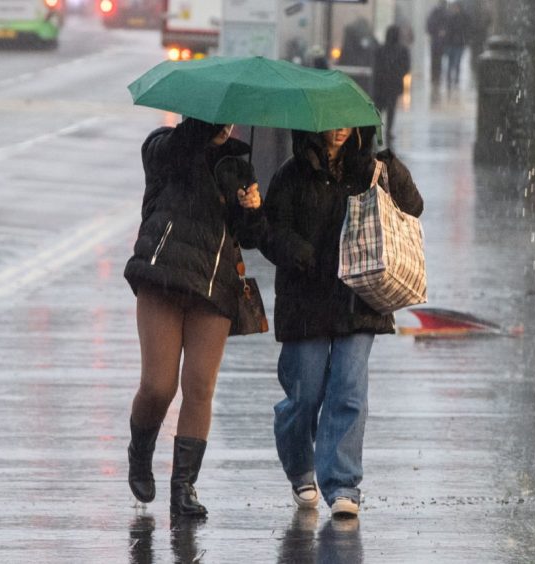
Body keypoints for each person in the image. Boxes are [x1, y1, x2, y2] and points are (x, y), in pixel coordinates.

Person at [260, 126, 423, 518]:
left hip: (360, 298)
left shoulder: (370, 168)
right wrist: (297, 251)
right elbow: (267, 233)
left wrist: (390, 166)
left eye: (347, 122)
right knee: (304, 394)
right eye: (331, 122)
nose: (339, 130)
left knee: (349, 390)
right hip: (306, 300)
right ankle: (301, 467)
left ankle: (342, 483)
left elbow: (413, 207)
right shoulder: (291, 174)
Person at [123, 117, 264, 517]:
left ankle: (183, 488)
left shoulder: (238, 166)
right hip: (162, 276)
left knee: (199, 386)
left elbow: (249, 237)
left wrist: (251, 209)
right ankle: (141, 450)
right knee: (158, 386)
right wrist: (204, 131)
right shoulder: (165, 147)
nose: (225, 126)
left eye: (230, 119)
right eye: (216, 119)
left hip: (213, 289)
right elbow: (179, 149)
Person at [372, 25, 411, 143]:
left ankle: (374, 129)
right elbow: (406, 68)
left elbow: (375, 66)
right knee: (391, 108)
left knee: (378, 107)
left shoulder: (380, 49)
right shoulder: (403, 50)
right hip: (394, 84)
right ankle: (388, 131)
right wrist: (397, 74)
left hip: (380, 84)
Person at [443, 1, 471, 90]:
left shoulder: (462, 18)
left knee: (456, 62)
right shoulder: (450, 17)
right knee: (451, 63)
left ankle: (455, 80)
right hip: (452, 43)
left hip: (458, 44)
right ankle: (451, 80)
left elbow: (466, 29)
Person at [425, 0, 448, 90]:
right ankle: (436, 76)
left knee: (435, 60)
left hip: (435, 42)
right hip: (439, 42)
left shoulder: (434, 14)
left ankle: (435, 76)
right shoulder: (444, 14)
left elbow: (429, 26)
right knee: (438, 60)